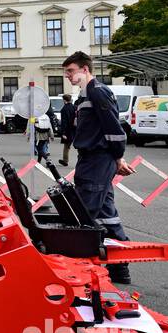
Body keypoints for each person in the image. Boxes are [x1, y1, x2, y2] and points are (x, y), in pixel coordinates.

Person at [62, 51, 132, 285]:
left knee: (85, 213)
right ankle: (120, 266)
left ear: (85, 69)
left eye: (71, 71)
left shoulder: (98, 92)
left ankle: (75, 273)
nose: (68, 76)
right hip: (91, 159)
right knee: (106, 214)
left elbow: (114, 128)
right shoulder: (85, 96)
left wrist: (117, 157)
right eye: (66, 73)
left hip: (97, 160)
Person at [58, 93, 76, 165]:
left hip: (68, 131)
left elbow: (64, 122)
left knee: (66, 146)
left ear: (64, 100)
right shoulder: (75, 107)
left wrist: (63, 133)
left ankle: (65, 160)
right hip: (75, 129)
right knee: (78, 146)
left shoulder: (64, 109)